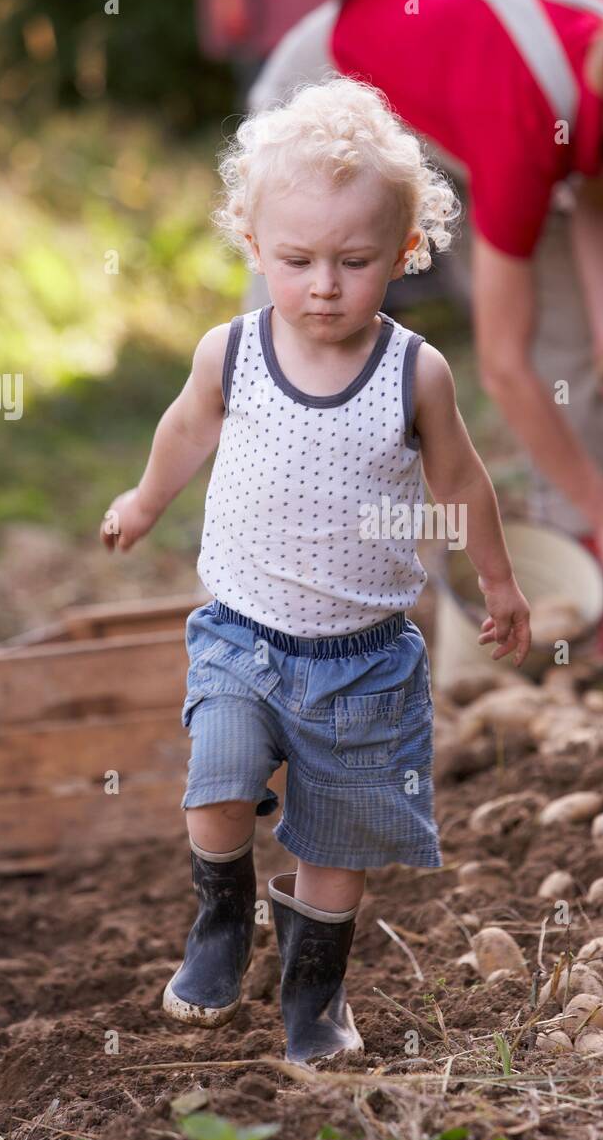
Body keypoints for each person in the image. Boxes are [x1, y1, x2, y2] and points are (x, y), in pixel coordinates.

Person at [99, 75, 531, 1064]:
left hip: (365, 659)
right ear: (253, 244)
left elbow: (462, 480)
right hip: (242, 632)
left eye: (354, 260)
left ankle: (314, 995)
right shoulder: (231, 352)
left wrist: (499, 583)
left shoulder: (414, 372)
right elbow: (181, 431)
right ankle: (219, 919)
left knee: (335, 845)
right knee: (217, 784)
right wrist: (142, 500)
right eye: (296, 261)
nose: (324, 286)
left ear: (404, 252)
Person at [245, 0, 603, 656]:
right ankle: (279, 621)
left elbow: (602, 172)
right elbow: (504, 368)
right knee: (306, 355)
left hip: (465, 100)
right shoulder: (527, 115)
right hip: (335, 88)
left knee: (582, 357)